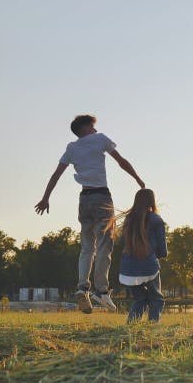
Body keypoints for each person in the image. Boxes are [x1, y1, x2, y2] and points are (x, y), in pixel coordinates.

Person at [34, 115, 144, 314]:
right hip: (102, 197)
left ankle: (82, 287)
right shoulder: (100, 139)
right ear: (86, 128)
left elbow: (56, 174)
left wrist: (45, 198)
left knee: (86, 247)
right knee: (105, 244)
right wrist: (138, 179)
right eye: (93, 127)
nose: (95, 129)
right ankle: (101, 291)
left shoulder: (72, 148)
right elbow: (121, 161)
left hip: (84, 200)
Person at [113, 189, 167, 323]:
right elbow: (162, 250)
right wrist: (157, 255)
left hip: (127, 270)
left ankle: (132, 325)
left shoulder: (129, 219)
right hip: (148, 267)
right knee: (156, 299)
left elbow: (122, 242)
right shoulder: (156, 220)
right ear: (151, 201)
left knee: (140, 299)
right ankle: (152, 325)